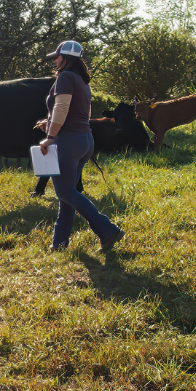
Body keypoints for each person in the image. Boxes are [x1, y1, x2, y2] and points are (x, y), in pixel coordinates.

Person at [36, 40, 124, 252]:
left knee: (65, 192)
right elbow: (78, 113)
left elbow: (62, 106)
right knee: (68, 194)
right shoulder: (82, 82)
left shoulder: (65, 77)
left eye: (57, 57)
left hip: (67, 143)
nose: (55, 61)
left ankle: (108, 229)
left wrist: (50, 136)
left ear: (66, 59)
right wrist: (50, 123)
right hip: (85, 141)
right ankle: (59, 244)